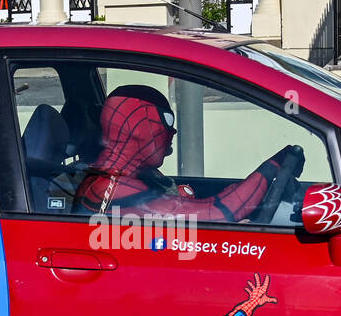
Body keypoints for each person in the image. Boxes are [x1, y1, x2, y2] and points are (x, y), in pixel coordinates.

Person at [74, 85, 301, 221]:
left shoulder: (141, 177)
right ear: (139, 125)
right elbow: (219, 213)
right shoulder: (110, 188)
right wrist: (274, 164)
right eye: (166, 120)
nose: (172, 130)